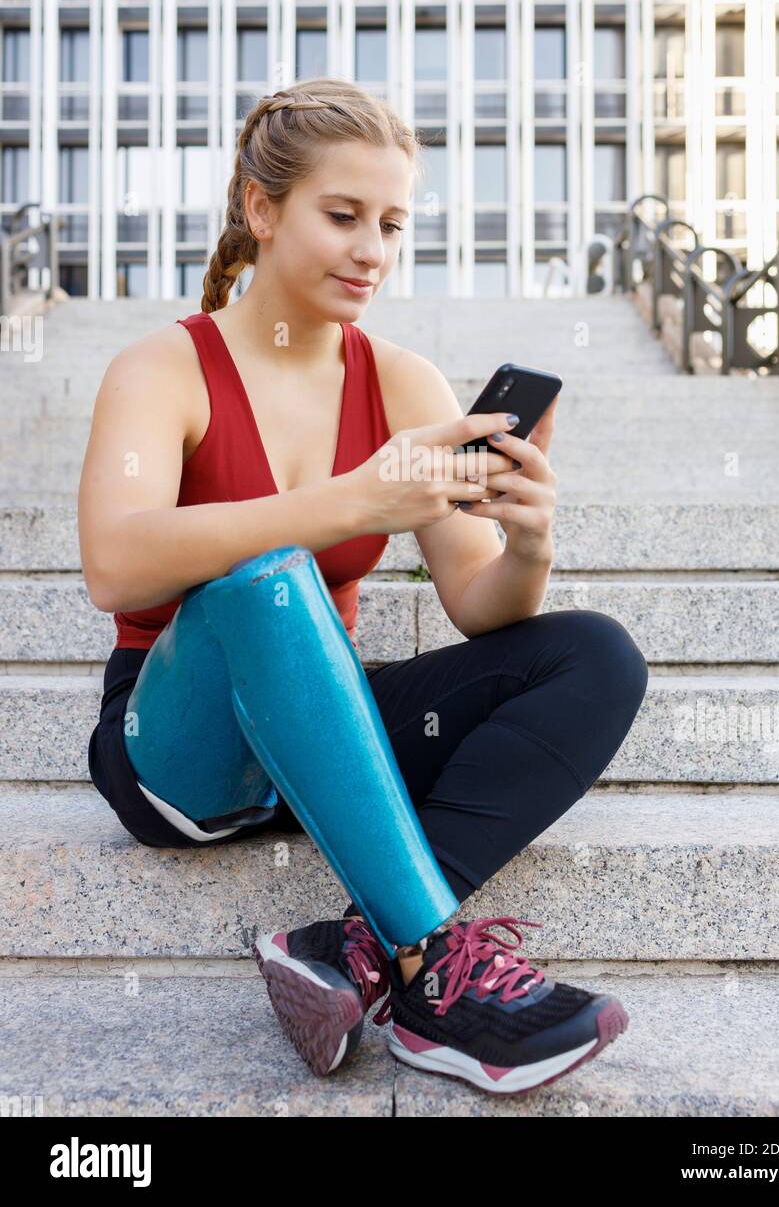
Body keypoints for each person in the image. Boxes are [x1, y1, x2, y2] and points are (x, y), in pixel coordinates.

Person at [79, 77, 649, 1098]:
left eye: (390, 223)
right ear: (262, 209)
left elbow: (479, 603)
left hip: (327, 724)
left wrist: (527, 543)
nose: (371, 250)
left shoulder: (400, 379)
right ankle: (436, 967)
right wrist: (348, 501)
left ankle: (351, 946)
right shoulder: (160, 368)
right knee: (265, 583)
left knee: (594, 651)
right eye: (341, 216)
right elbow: (113, 563)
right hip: (180, 749)